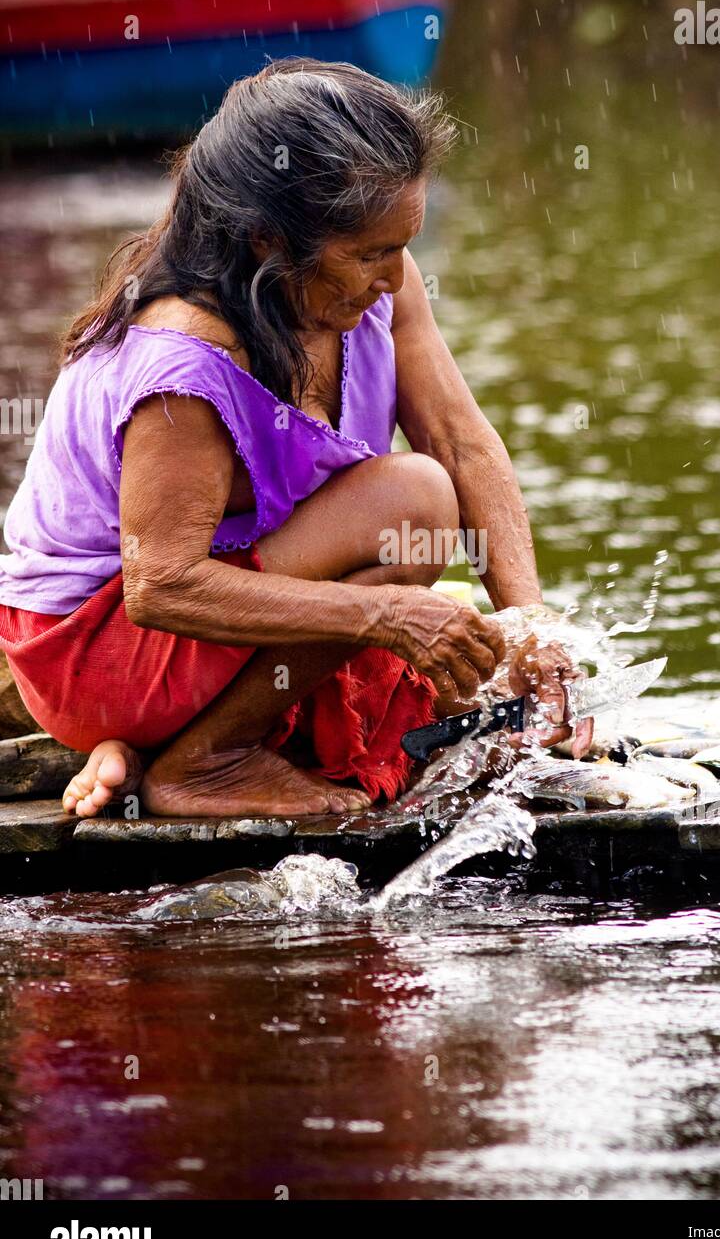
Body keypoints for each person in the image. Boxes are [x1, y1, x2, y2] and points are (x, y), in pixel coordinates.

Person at [0, 58, 591, 820]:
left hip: (214, 615)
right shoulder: (184, 361)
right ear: (268, 242)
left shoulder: (381, 280)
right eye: (371, 253)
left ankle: (166, 743)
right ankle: (206, 762)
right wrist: (385, 617)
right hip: (96, 646)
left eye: (400, 247)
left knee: (466, 665)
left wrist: (528, 627)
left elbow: (461, 440)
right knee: (409, 504)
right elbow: (162, 586)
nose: (394, 275)